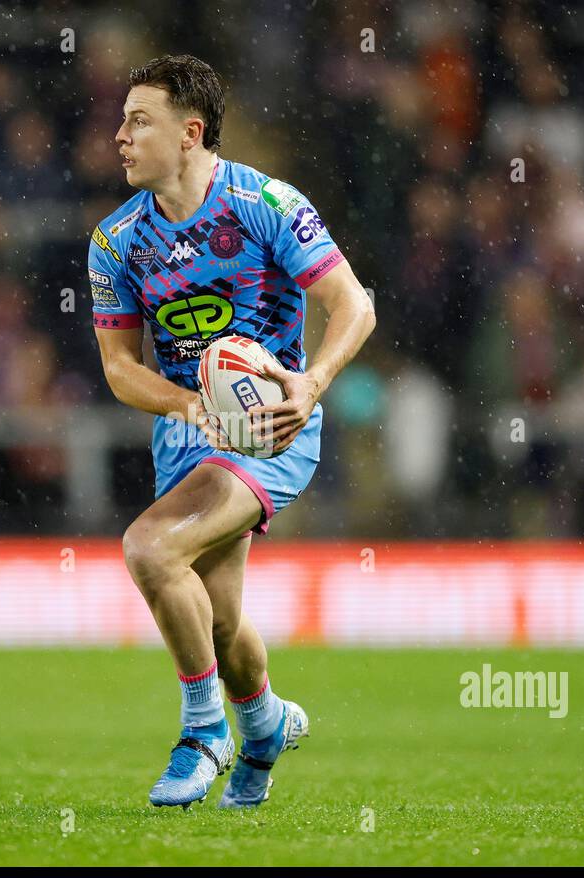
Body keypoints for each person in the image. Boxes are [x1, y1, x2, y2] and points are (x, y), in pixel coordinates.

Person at [87, 55, 375, 808]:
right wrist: (192, 411)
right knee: (219, 622)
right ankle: (268, 724)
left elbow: (355, 307)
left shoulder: (265, 204)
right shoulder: (116, 242)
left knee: (150, 548)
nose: (118, 136)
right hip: (189, 432)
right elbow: (119, 370)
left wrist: (310, 385)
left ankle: (204, 730)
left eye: (137, 121)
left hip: (269, 428)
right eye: (121, 121)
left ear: (190, 133)